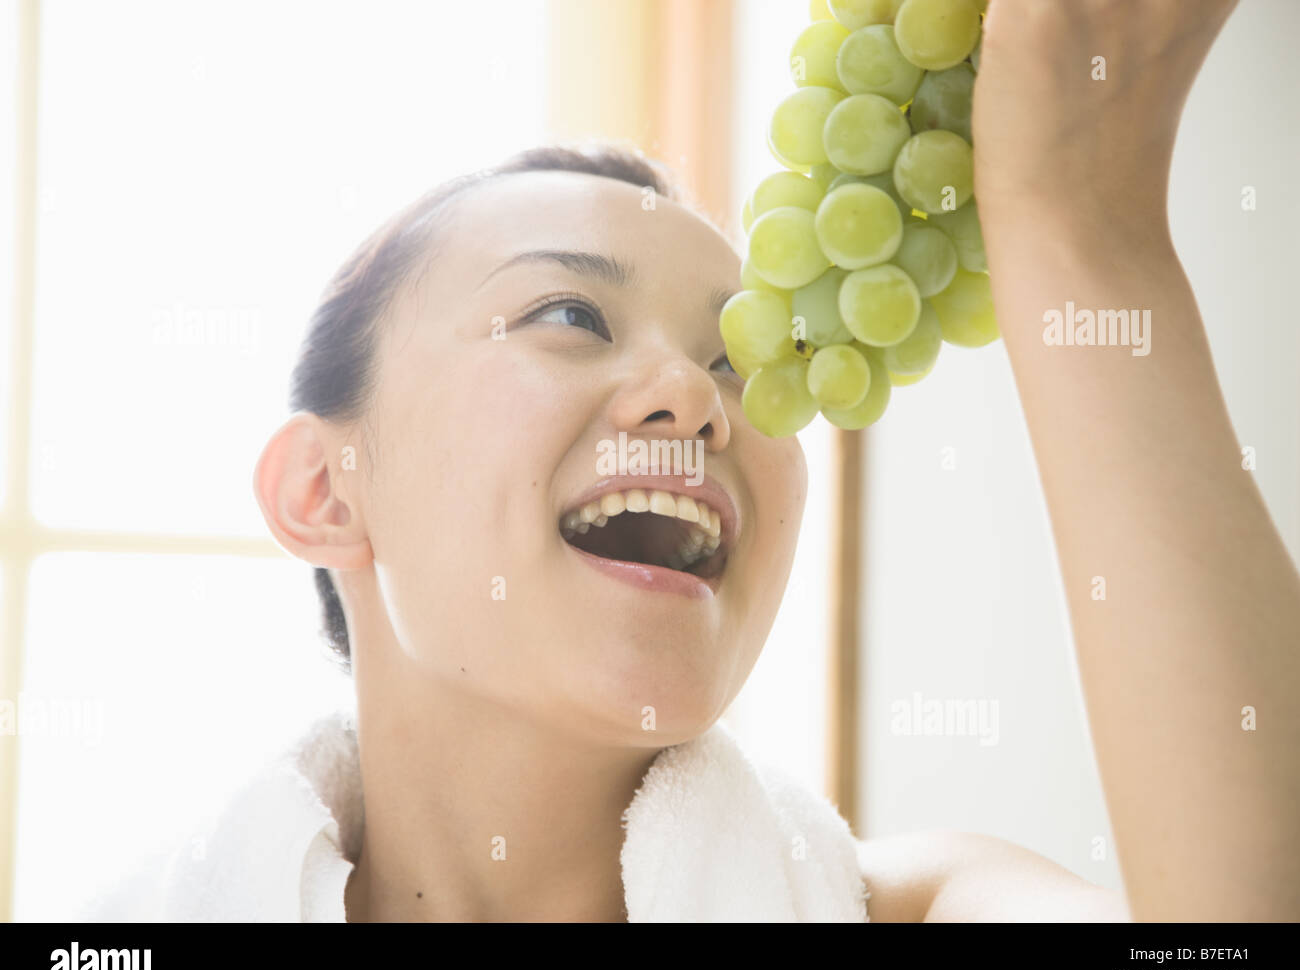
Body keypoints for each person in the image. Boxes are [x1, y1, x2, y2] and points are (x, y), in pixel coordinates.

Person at [94, 0, 1297, 922]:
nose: (697, 396)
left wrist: (1083, 226)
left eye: (739, 356)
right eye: (568, 315)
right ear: (321, 490)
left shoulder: (925, 912)